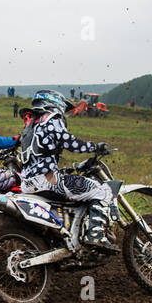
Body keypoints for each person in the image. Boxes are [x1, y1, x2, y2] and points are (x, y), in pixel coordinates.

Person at [17, 89, 117, 248]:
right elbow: (69, 142)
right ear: (55, 103)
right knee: (102, 190)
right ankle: (95, 235)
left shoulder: (30, 125)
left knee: (72, 185)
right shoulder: (51, 118)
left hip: (27, 183)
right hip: (47, 181)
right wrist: (95, 147)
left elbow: (40, 156)